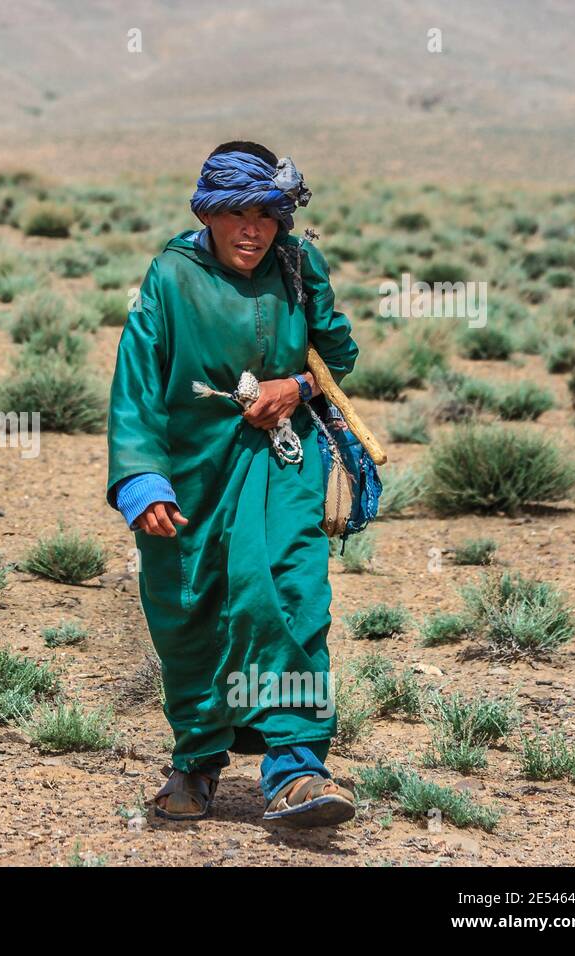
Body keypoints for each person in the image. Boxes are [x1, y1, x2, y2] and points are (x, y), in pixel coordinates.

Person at [106, 141, 361, 827]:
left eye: (267, 215)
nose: (252, 230)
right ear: (209, 213)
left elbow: (337, 355)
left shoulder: (299, 266)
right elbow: (136, 387)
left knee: (290, 592)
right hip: (189, 470)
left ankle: (297, 765)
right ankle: (197, 759)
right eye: (235, 214)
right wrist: (142, 482)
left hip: (282, 462)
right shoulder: (170, 277)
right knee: (190, 606)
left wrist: (295, 384)